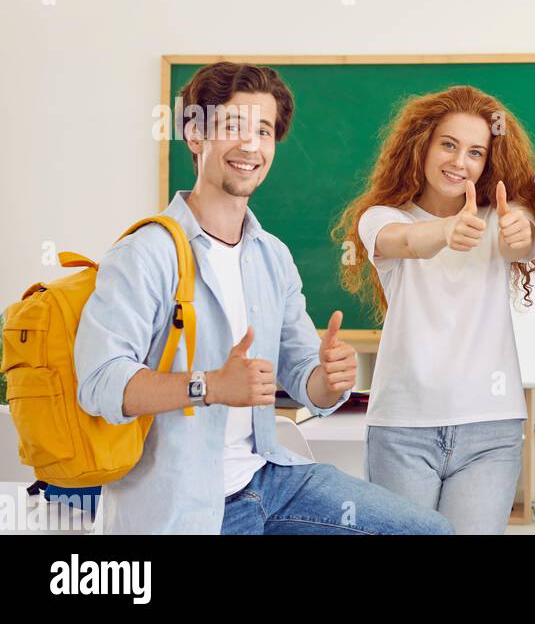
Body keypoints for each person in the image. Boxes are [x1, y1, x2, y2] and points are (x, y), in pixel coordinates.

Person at [75, 61, 452, 535]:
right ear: (194, 134)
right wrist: (208, 386)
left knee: (427, 531)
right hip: (184, 509)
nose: (251, 145)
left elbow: (303, 378)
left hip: (269, 481)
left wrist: (329, 380)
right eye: (233, 126)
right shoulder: (145, 254)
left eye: (264, 130)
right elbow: (99, 385)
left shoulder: (271, 255)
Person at [334, 86, 535, 534]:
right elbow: (406, 241)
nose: (459, 162)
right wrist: (446, 230)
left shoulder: (502, 216)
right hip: (402, 429)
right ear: (422, 145)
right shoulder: (381, 217)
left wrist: (521, 229)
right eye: (448, 145)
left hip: (490, 428)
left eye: (476, 152)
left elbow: (525, 237)